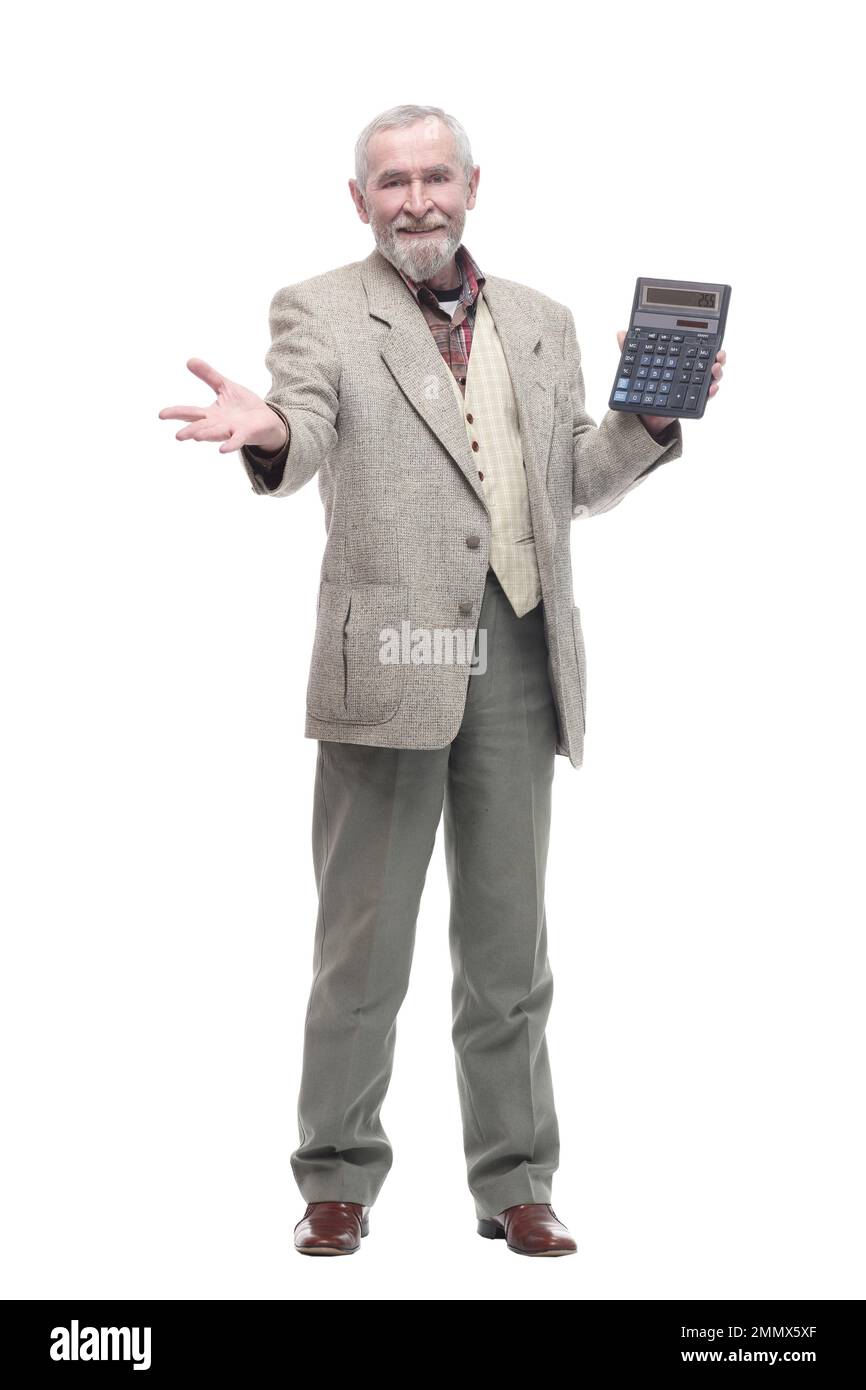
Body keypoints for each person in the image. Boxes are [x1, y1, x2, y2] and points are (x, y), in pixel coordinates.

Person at [159, 104, 726, 1258]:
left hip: (517, 647)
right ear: (358, 200)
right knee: (361, 943)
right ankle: (335, 1176)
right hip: (394, 656)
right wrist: (267, 429)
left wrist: (649, 416)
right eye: (390, 181)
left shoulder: (541, 321)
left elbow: (572, 476)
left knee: (509, 945)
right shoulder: (318, 308)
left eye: (434, 178)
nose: (414, 198)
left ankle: (516, 1178)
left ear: (473, 187)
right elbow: (303, 421)